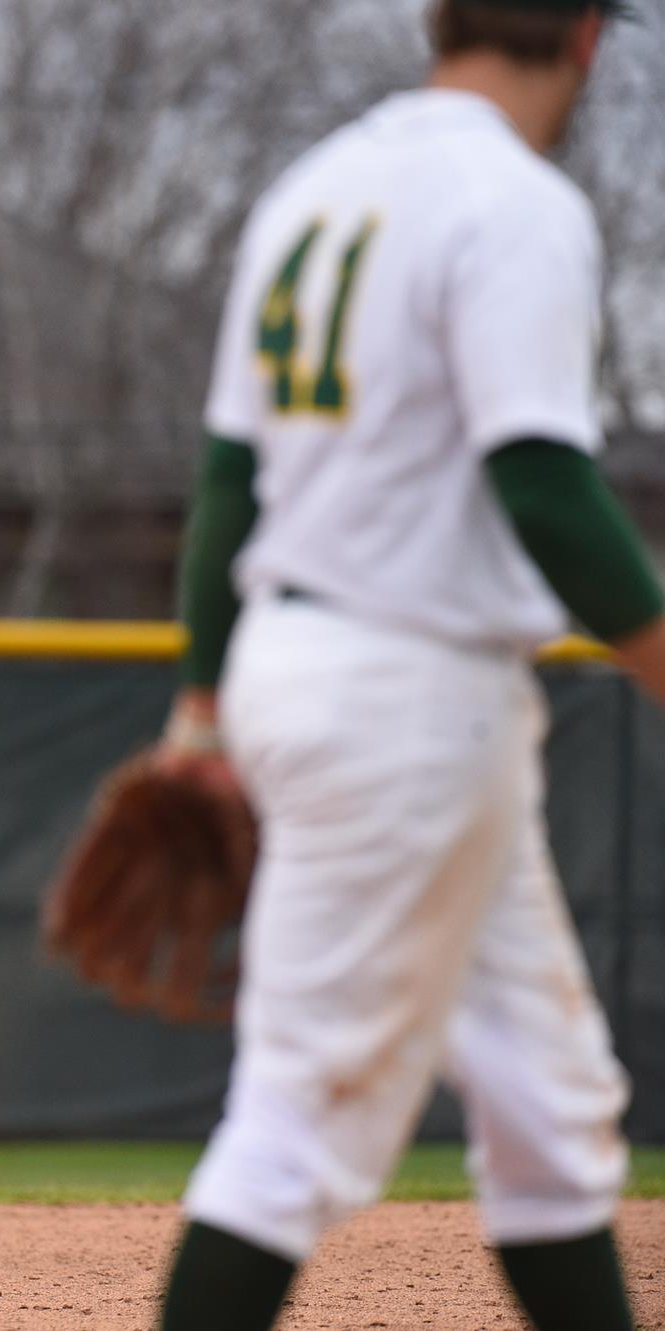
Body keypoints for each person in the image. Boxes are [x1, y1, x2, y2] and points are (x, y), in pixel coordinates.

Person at [154, 1, 654, 1327]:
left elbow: (228, 481)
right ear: (588, 42)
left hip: (314, 665)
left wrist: (202, 702)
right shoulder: (515, 201)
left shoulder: (318, 190)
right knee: (294, 1126)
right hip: (406, 696)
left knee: (553, 1105)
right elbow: (543, 482)